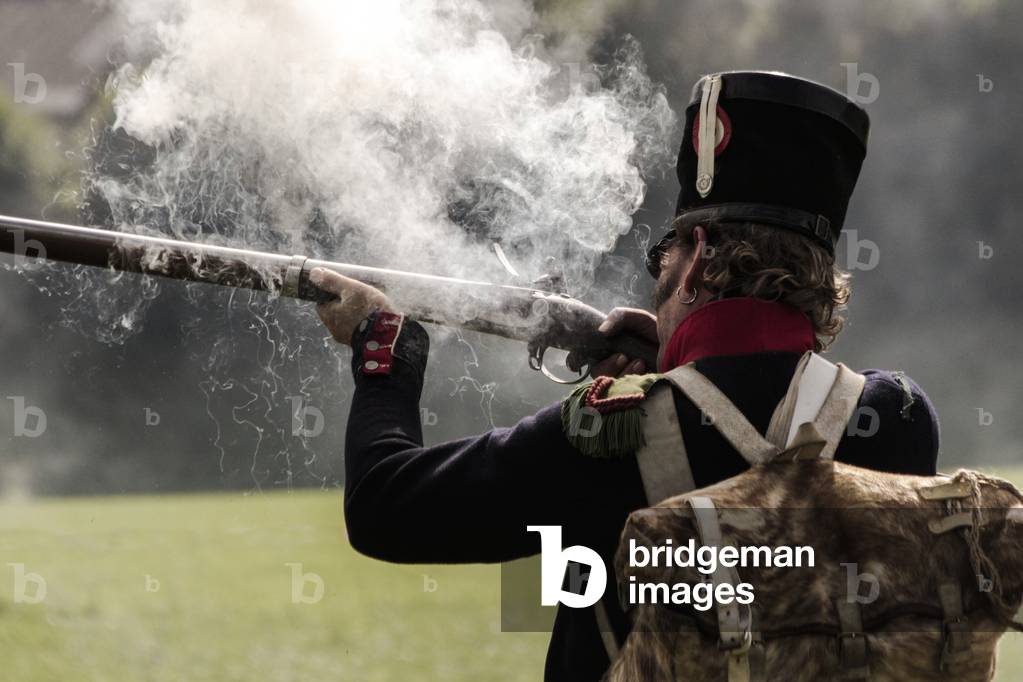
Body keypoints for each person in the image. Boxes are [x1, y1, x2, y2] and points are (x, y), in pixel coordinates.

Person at [310, 71, 940, 682]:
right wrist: (679, 367)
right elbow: (749, 423)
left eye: (664, 254)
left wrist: (386, 349)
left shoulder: (611, 432)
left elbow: (382, 508)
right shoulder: (896, 421)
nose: (658, 275)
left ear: (695, 263)